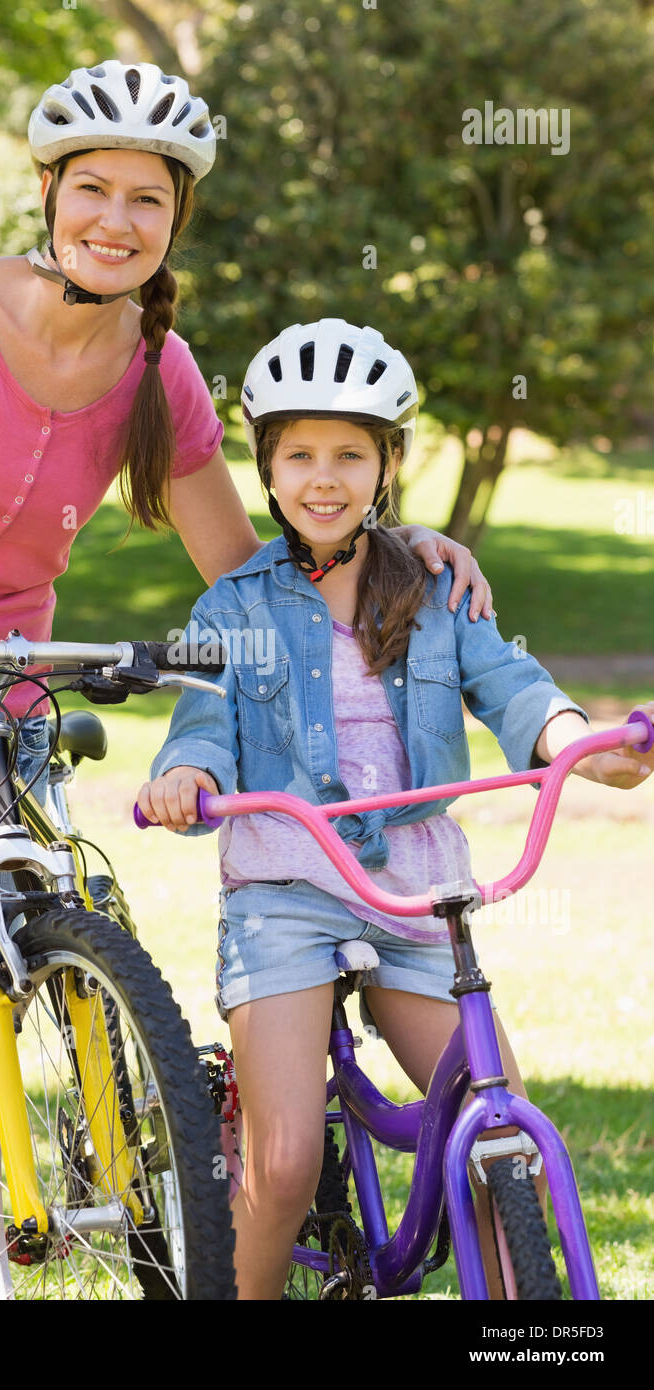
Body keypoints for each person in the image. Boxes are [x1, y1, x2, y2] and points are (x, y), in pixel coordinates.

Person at [0, 61, 490, 1300]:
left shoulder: (153, 370)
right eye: (91, 190)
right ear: (49, 193)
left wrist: (396, 547)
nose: (114, 221)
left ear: (175, 221)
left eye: (146, 200)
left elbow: (250, 567)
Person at [137, 318, 654, 1300]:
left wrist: (583, 747)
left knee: (499, 1135)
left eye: (348, 453)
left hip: (419, 899)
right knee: (284, 1159)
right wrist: (184, 776)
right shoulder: (233, 607)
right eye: (298, 454)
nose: (321, 478)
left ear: (385, 466)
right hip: (285, 895)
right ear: (265, 467)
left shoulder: (434, 591)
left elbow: (512, 688)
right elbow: (201, 722)